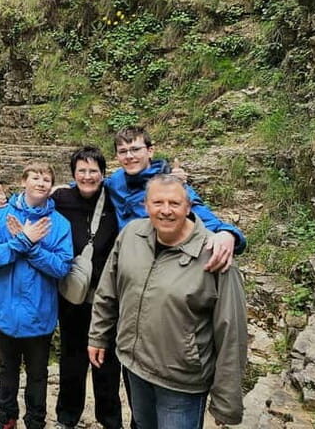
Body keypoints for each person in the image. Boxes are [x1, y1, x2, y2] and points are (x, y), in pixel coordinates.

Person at [88, 174, 248, 429]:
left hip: (181, 383)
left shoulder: (215, 255)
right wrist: (98, 336)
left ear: (188, 207)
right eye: (157, 202)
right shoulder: (131, 235)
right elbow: (108, 291)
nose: (165, 210)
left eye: (174, 203)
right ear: (145, 205)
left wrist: (226, 402)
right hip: (135, 367)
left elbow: (232, 332)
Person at [0, 161, 73, 429]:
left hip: (39, 312)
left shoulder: (60, 224)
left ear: (51, 186)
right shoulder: (2, 217)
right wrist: (23, 240)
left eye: (46, 179)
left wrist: (31, 246)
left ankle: (35, 422)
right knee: (6, 369)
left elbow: (61, 267)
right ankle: (7, 418)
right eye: (35, 177)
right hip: (4, 310)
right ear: (24, 181)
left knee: (37, 374)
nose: (41, 183)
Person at [44, 147, 123, 429]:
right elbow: (31, 205)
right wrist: (1, 206)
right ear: (73, 174)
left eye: (93, 171)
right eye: (82, 171)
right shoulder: (61, 198)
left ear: (103, 174)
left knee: (107, 362)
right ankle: (67, 417)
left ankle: (110, 420)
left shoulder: (115, 199)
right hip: (72, 296)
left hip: (107, 296)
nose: (87, 176)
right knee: (72, 358)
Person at [103, 126, 246, 272]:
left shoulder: (171, 184)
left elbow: (206, 218)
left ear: (150, 151)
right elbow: (91, 184)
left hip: (163, 264)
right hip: (125, 263)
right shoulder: (115, 181)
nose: (129, 156)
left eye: (135, 149)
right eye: (123, 151)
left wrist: (228, 234)